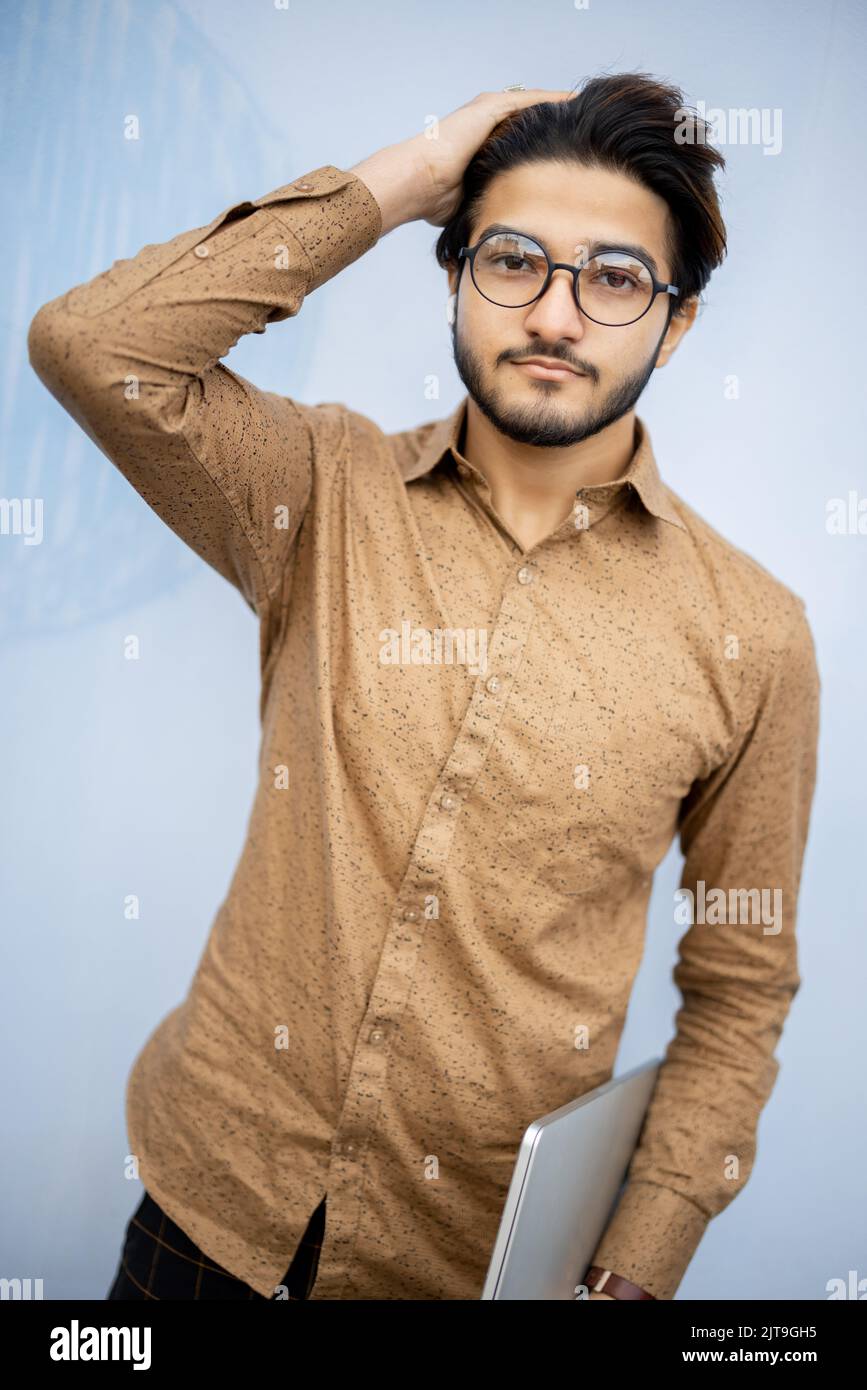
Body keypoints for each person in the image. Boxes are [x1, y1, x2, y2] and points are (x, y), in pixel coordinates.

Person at [28, 73, 820, 1301]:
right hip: (206, 1221)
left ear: (675, 324)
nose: (556, 314)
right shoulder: (318, 492)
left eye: (614, 278)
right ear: (451, 275)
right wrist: (406, 175)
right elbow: (94, 344)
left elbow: (740, 977)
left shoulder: (755, 635)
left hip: (468, 1268)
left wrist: (644, 1252)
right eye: (512, 260)